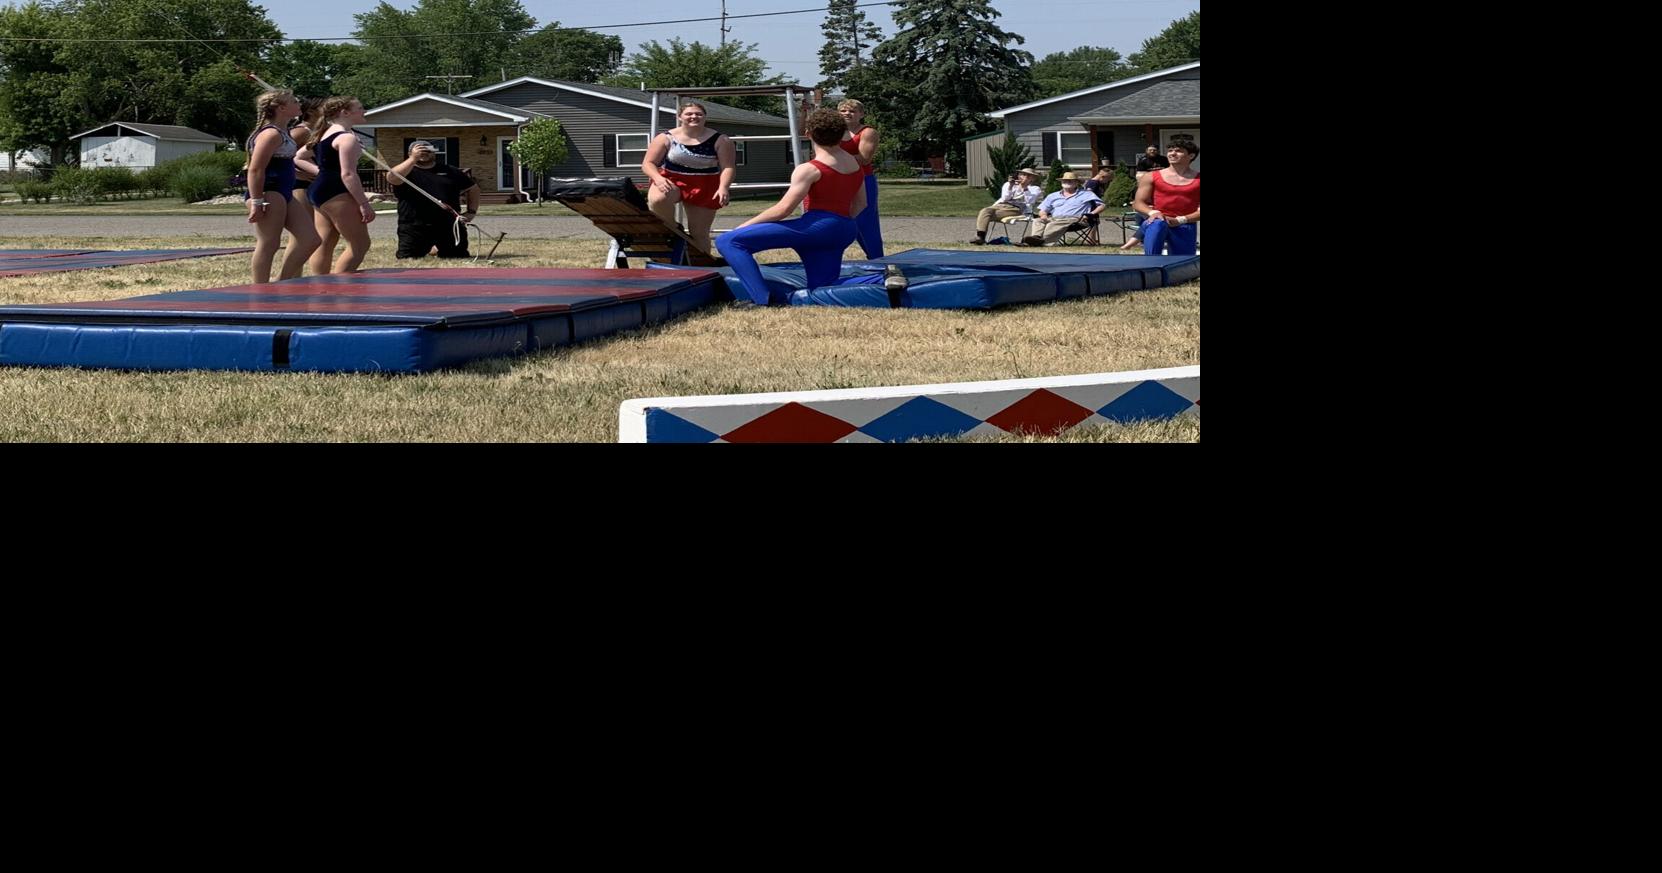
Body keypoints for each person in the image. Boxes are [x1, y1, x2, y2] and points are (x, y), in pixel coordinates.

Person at [714, 108, 867, 306]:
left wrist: (744, 227)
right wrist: (838, 224)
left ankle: (761, 300)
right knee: (822, 287)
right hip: (845, 228)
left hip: (818, 227)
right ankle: (884, 280)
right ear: (842, 134)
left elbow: (783, 210)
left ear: (808, 134)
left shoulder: (810, 169)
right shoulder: (855, 164)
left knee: (729, 241)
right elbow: (861, 203)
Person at [244, 89, 321, 282]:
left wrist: (300, 174)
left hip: (284, 191)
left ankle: (281, 281)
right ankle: (260, 288)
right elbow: (255, 169)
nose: (298, 104)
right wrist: (257, 201)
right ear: (281, 108)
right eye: (293, 101)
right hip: (269, 192)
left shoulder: (283, 132)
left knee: (310, 239)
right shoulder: (269, 134)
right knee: (269, 243)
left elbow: (281, 164)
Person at [642, 100, 736, 255]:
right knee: (658, 199)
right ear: (680, 117)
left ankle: (704, 266)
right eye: (689, 114)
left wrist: (723, 187)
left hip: (705, 183)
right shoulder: (666, 137)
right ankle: (673, 229)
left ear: (705, 117)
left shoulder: (721, 140)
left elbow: (728, 167)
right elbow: (648, 164)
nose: (694, 117)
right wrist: (658, 178)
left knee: (699, 233)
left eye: (699, 114)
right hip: (671, 179)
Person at [306, 96, 376, 274]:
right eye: (360, 108)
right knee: (360, 244)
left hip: (319, 190)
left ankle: (319, 284)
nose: (364, 111)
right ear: (345, 113)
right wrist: (364, 203)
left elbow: (299, 157)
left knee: (326, 241)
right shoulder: (346, 138)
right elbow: (348, 174)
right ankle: (339, 284)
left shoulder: (323, 134)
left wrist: (321, 173)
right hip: (335, 191)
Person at [388, 140, 479, 258]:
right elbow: (392, 178)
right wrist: (413, 159)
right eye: (419, 150)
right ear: (410, 153)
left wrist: (471, 212)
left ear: (434, 152)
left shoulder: (450, 171)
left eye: (428, 150)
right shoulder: (405, 172)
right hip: (414, 224)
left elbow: (474, 189)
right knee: (408, 258)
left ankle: (435, 248)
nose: (424, 153)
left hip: (448, 223)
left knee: (457, 256)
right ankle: (430, 248)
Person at [1131, 136, 1201, 256]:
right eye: (1170, 151)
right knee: (1153, 260)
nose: (1172, 154)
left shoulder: (1198, 179)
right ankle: (1151, 268)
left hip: (1185, 224)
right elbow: (1138, 203)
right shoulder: (1150, 176)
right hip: (1158, 221)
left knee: (1181, 266)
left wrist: (1180, 220)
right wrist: (1153, 213)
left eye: (1178, 151)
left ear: (1191, 156)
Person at [838, 99, 883, 258]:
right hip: (839, 180)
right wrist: (804, 112)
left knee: (865, 223)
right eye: (843, 111)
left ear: (861, 114)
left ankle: (877, 260)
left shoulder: (867, 132)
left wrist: (832, 156)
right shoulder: (834, 131)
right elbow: (804, 132)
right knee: (839, 220)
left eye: (852, 111)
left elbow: (864, 158)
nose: (847, 114)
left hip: (863, 180)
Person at [1021, 171, 1105, 246]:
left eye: (1070, 180)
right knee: (1037, 220)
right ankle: (1036, 237)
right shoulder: (1053, 195)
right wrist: (1043, 215)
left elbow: (1101, 205)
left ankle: (1042, 242)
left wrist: (1091, 214)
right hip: (1054, 218)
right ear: (1061, 182)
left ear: (1076, 183)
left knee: (1054, 223)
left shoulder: (1086, 194)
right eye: (1065, 180)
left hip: (1076, 220)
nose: (1067, 182)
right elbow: (1043, 210)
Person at [971, 167, 1041, 244]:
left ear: (1033, 179)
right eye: (1022, 174)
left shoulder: (1035, 189)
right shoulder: (1008, 184)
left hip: (1015, 209)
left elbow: (1029, 201)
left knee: (987, 214)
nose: (1024, 177)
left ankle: (980, 238)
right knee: (985, 210)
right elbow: (1005, 198)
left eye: (1028, 176)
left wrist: (1024, 188)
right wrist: (1011, 186)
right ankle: (980, 237)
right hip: (1001, 205)